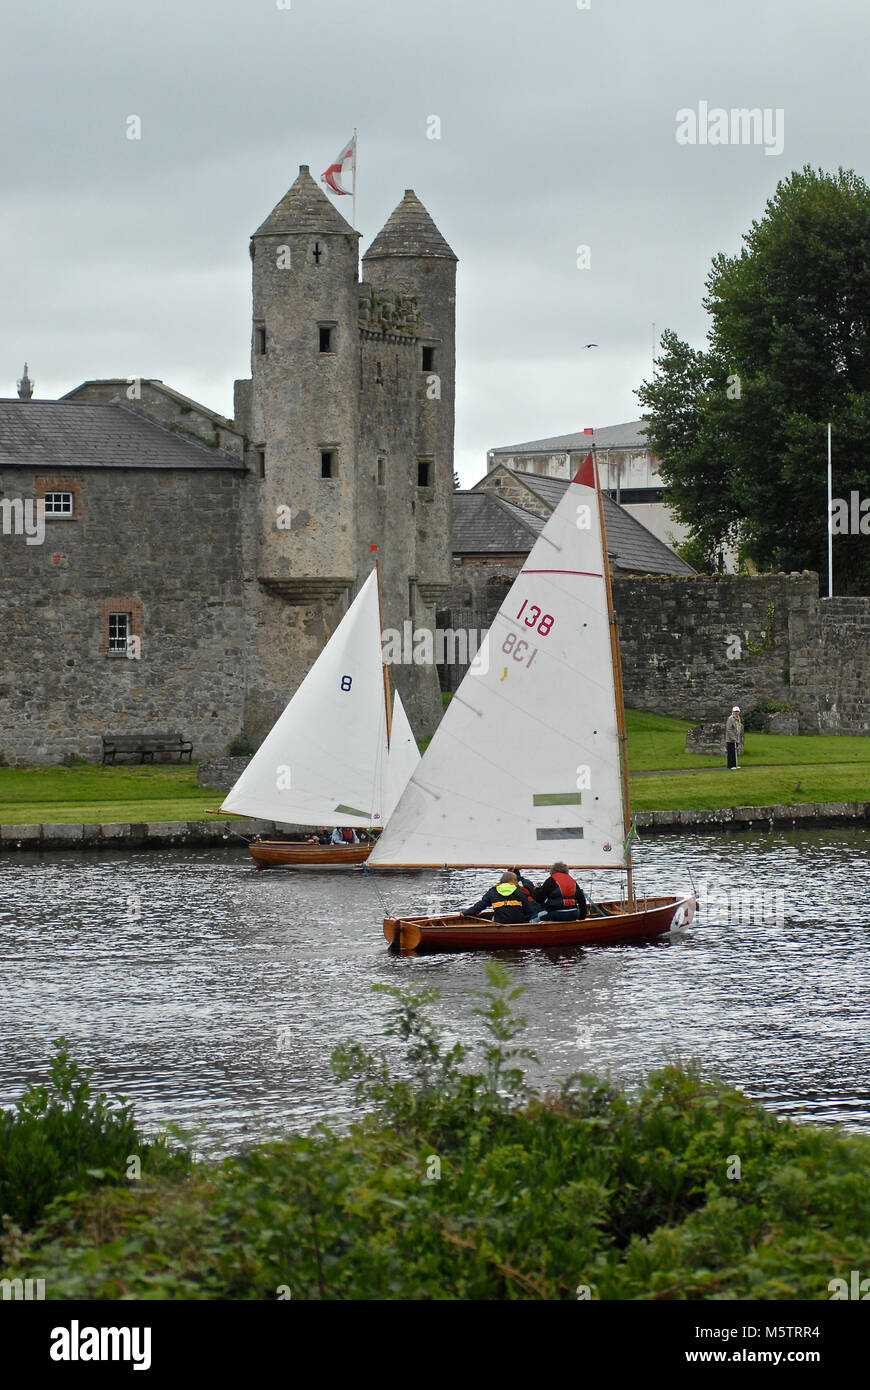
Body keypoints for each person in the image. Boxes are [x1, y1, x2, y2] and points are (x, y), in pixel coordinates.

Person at [463, 871, 537, 924]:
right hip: (519, 923)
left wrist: (466, 912)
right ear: (513, 881)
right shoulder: (519, 891)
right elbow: (528, 910)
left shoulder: (493, 891)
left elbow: (480, 906)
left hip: (500, 923)